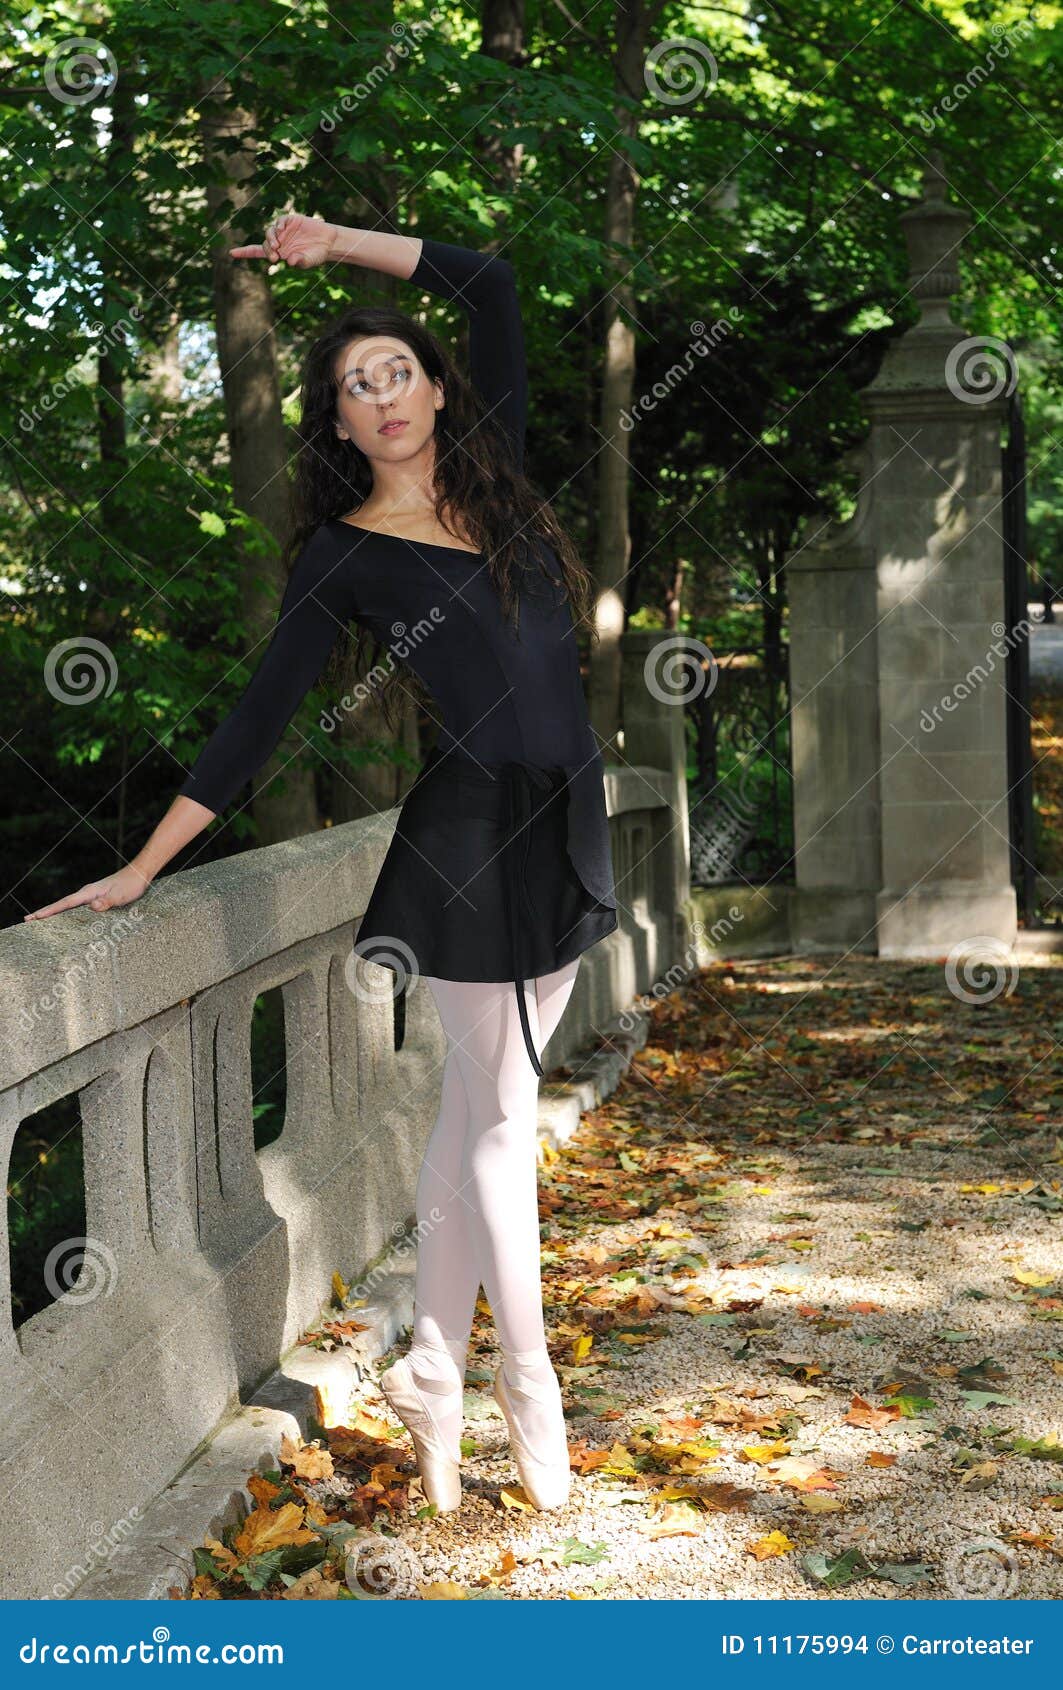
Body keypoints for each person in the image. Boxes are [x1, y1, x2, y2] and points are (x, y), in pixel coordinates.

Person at [23, 212, 619, 1514]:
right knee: (504, 1121)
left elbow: (491, 275)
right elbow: (257, 719)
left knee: (475, 1121)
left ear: (437, 387)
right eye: (353, 386)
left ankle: (428, 1367)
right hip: (462, 845)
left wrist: (328, 244)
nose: (380, 394)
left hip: (567, 825)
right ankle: (527, 1386)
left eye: (395, 369)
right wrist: (142, 864)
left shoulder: (500, 478)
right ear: (339, 426)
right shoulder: (344, 553)